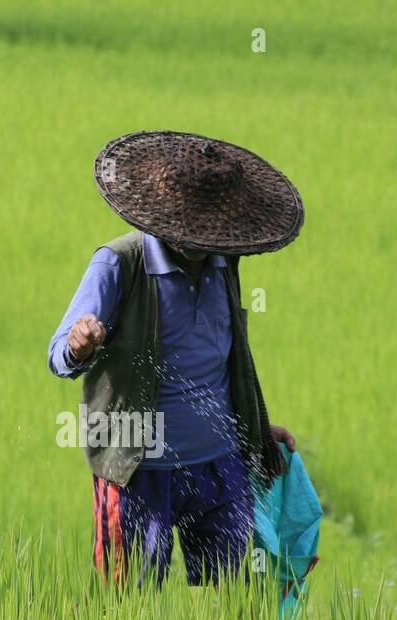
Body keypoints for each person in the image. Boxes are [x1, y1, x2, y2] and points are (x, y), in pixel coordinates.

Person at [48, 131, 305, 586]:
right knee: (126, 605)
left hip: (220, 465)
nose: (205, 244)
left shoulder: (225, 265)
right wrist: (78, 345)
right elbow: (58, 355)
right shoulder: (119, 264)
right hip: (136, 468)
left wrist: (257, 428)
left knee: (233, 598)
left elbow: (222, 362)